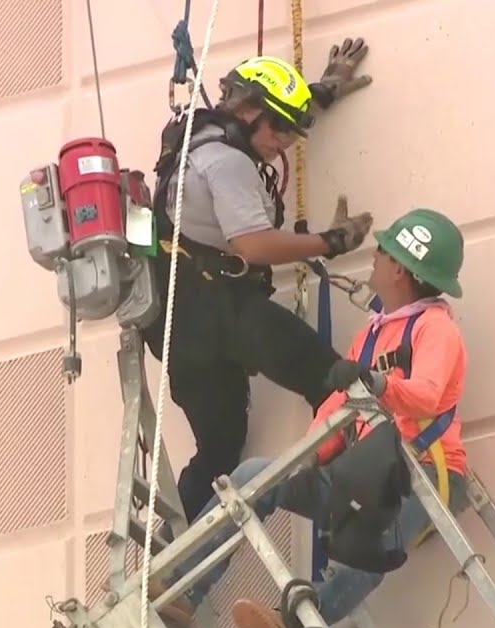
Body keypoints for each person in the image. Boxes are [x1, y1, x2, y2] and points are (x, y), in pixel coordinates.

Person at [153, 208, 473, 628]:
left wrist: (379, 386)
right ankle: (184, 590)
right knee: (253, 478)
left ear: (401, 268)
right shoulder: (373, 332)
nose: (376, 258)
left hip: (423, 475)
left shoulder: (435, 329)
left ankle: (299, 627)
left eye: (383, 252)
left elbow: (425, 397)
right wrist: (301, 461)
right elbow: (336, 409)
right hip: (366, 476)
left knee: (370, 545)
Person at [143, 41, 376, 522]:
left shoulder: (199, 139)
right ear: (247, 110)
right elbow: (254, 246)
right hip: (221, 309)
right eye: (280, 134)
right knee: (333, 382)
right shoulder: (226, 162)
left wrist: (325, 88)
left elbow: (274, 110)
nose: (281, 146)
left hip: (182, 329)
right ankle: (368, 504)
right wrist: (331, 242)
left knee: (220, 449)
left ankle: (170, 556)